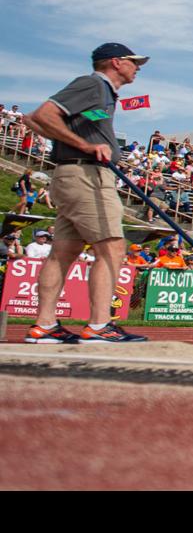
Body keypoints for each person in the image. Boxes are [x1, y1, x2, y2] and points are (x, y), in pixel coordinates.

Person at [19, 43, 151, 344]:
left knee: (64, 252)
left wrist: (75, 141)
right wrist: (85, 146)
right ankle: (99, 325)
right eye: (134, 62)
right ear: (116, 63)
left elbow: (32, 120)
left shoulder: (102, 94)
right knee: (113, 247)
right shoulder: (93, 84)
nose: (138, 67)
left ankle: (44, 325)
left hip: (74, 173)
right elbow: (43, 114)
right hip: (86, 174)